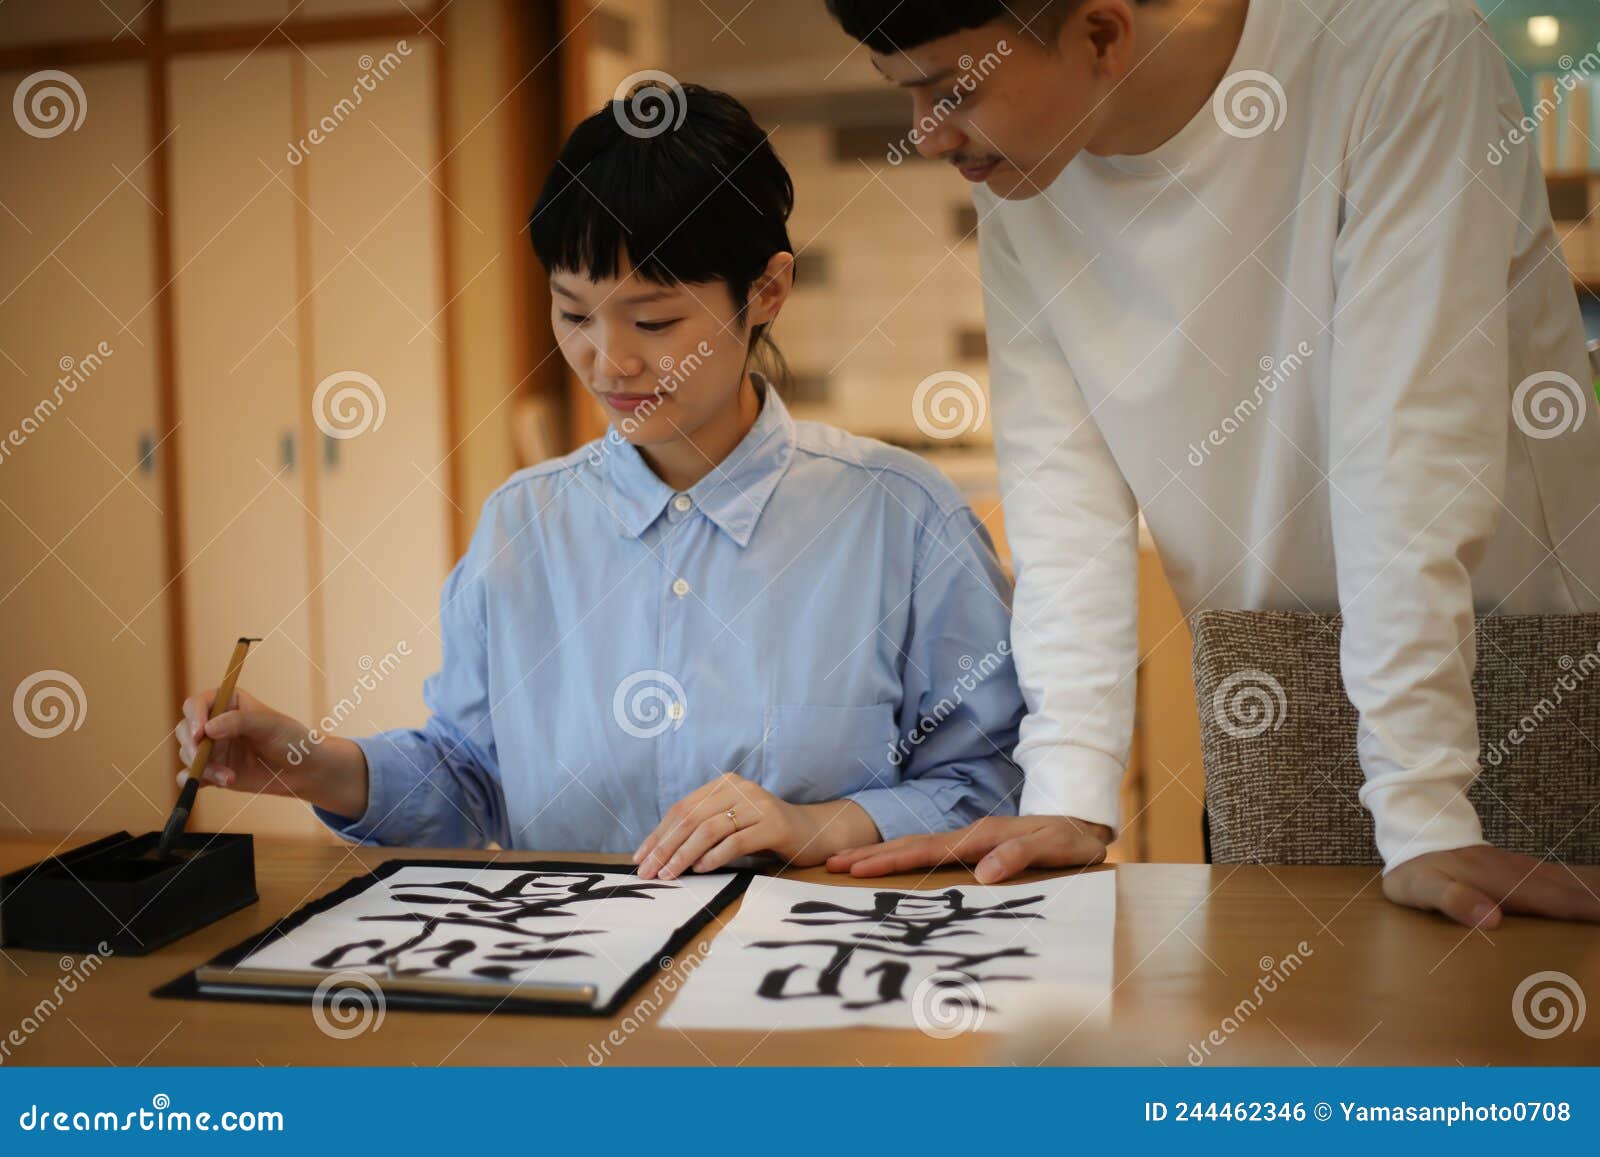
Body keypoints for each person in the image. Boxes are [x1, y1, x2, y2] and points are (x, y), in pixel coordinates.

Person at [821, 0, 1600, 927]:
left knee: (1484, 1049)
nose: (928, 135)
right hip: (1265, 670)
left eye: (951, 90)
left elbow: (1407, 444)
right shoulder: (1029, 167)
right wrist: (1068, 785)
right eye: (907, 96)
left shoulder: (1400, 44)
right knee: (1270, 1043)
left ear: (1102, 34)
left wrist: (1425, 804)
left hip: (1512, 659)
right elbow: (1063, 488)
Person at [172, 84, 1025, 879]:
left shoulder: (901, 519)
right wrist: (311, 764)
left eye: (654, 320)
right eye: (573, 313)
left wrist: (825, 822)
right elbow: (472, 781)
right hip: (579, 995)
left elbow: (993, 783)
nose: (607, 361)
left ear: (765, 290)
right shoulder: (524, 523)